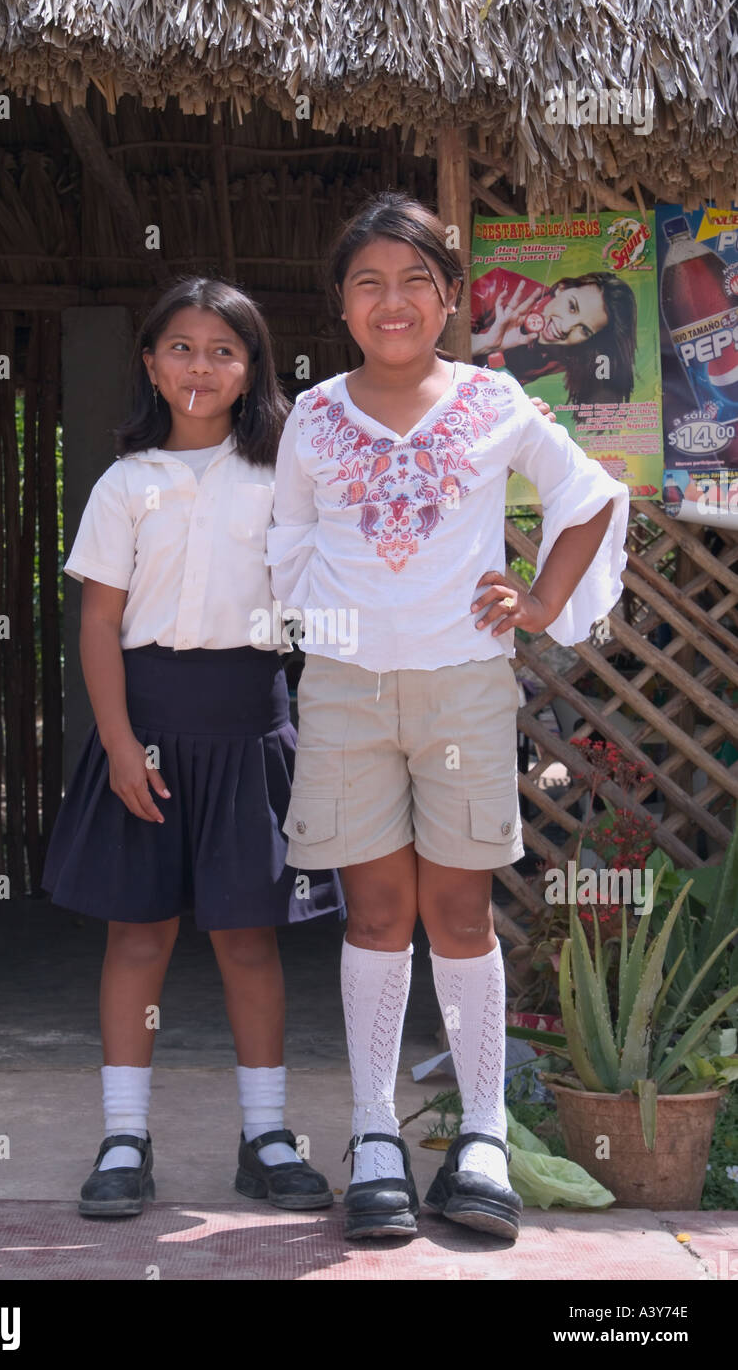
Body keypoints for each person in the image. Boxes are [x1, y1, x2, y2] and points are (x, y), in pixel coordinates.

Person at [267, 193, 629, 1242]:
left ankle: (480, 1135)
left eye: (414, 280)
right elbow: (290, 541)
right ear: (340, 302)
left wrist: (545, 602)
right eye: (368, 282)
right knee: (375, 918)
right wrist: (332, 625)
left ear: (449, 297)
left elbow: (590, 493)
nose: (392, 301)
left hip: (465, 688)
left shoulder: (491, 402)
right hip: (343, 692)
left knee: (458, 919)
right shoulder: (313, 415)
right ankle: (374, 1132)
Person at [42, 277, 344, 1218]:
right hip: (148, 728)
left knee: (248, 939)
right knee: (138, 934)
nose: (200, 365)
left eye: (224, 349)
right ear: (150, 363)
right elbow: (100, 625)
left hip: (251, 725)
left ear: (252, 367)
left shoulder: (285, 477)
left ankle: (266, 1138)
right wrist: (120, 743)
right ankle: (124, 1140)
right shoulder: (125, 483)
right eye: (181, 346)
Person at [470, 266, 638, 404]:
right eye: (572, 306)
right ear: (561, 288)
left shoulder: (569, 354)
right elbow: (446, 357)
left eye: (584, 330)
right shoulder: (496, 286)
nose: (565, 328)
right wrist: (486, 342)